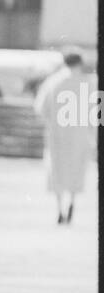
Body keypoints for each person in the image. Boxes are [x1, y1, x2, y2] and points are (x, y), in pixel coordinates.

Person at [33, 48, 97, 224]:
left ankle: (59, 208)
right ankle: (73, 203)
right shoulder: (89, 83)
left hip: (58, 135)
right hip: (80, 134)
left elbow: (41, 109)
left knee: (57, 170)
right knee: (76, 170)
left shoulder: (53, 82)